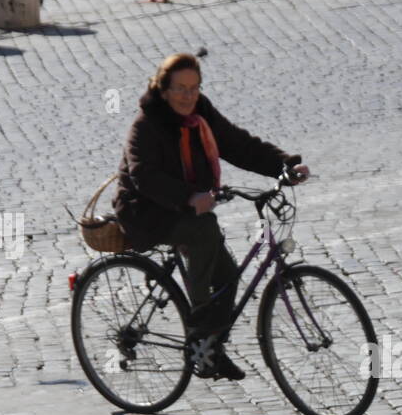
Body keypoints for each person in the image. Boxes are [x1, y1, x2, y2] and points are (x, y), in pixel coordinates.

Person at [113, 52, 309, 381]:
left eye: (194, 88)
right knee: (203, 229)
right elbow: (142, 175)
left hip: (188, 206)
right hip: (145, 210)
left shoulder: (201, 112)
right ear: (163, 90)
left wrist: (284, 165)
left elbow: (238, 144)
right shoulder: (146, 125)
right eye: (179, 88)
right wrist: (188, 196)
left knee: (229, 278)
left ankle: (210, 351)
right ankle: (199, 323)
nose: (188, 96)